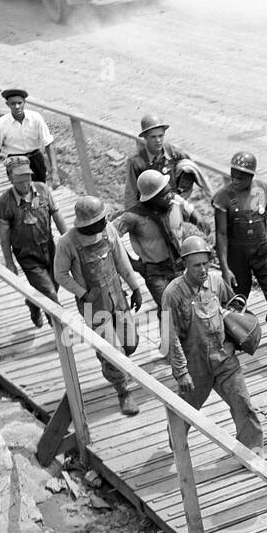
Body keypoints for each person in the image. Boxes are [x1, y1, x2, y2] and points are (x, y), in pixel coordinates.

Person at [163, 236, 264, 453]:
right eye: (196, 265)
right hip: (195, 365)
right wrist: (181, 373)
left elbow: (234, 306)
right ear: (185, 265)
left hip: (224, 357)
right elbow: (169, 336)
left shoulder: (216, 282)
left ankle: (252, 451)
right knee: (185, 411)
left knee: (243, 404)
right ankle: (177, 445)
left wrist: (235, 335)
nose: (202, 269)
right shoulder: (173, 294)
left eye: (205, 264)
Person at [53, 195, 143, 417]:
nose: (105, 223)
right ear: (86, 224)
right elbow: (60, 274)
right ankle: (123, 390)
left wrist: (136, 288)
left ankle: (109, 363)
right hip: (94, 305)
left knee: (130, 344)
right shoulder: (67, 243)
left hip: (117, 297)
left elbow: (122, 261)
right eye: (100, 220)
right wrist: (82, 293)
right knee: (114, 351)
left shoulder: (109, 231)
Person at [212, 151, 267, 353]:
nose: (235, 180)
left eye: (241, 177)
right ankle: (234, 346)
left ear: (251, 176)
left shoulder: (263, 190)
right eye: (233, 175)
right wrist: (225, 268)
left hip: (262, 252)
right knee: (236, 301)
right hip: (236, 257)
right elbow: (221, 234)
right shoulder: (223, 197)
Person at [112, 168, 202, 309]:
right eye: (164, 195)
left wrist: (200, 222)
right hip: (156, 273)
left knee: (190, 307)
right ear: (152, 198)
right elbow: (110, 235)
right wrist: (131, 263)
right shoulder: (133, 217)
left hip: (180, 266)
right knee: (169, 310)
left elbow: (192, 212)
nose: (170, 196)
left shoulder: (173, 203)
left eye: (169, 191)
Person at [0, 155, 66, 328]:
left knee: (54, 285)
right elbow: (4, 236)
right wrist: (9, 262)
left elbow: (56, 215)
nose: (25, 183)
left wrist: (71, 242)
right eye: (19, 179)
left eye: (27, 177)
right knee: (50, 294)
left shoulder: (42, 190)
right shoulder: (4, 202)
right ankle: (61, 332)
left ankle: (33, 302)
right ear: (10, 178)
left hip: (49, 248)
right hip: (27, 255)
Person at [0, 89, 56, 186]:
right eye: (13, 104)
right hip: (15, 162)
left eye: (20, 103)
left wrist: (54, 170)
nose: (17, 107)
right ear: (7, 104)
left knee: (41, 191)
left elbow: (48, 143)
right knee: (23, 193)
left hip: (36, 158)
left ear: (24, 102)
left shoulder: (36, 118)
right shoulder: (1, 124)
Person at [124, 113, 191, 207]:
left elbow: (190, 169)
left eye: (161, 136)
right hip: (149, 208)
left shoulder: (173, 152)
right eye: (153, 137)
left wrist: (183, 194)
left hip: (172, 202)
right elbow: (131, 193)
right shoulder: (136, 161)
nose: (158, 140)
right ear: (145, 137)